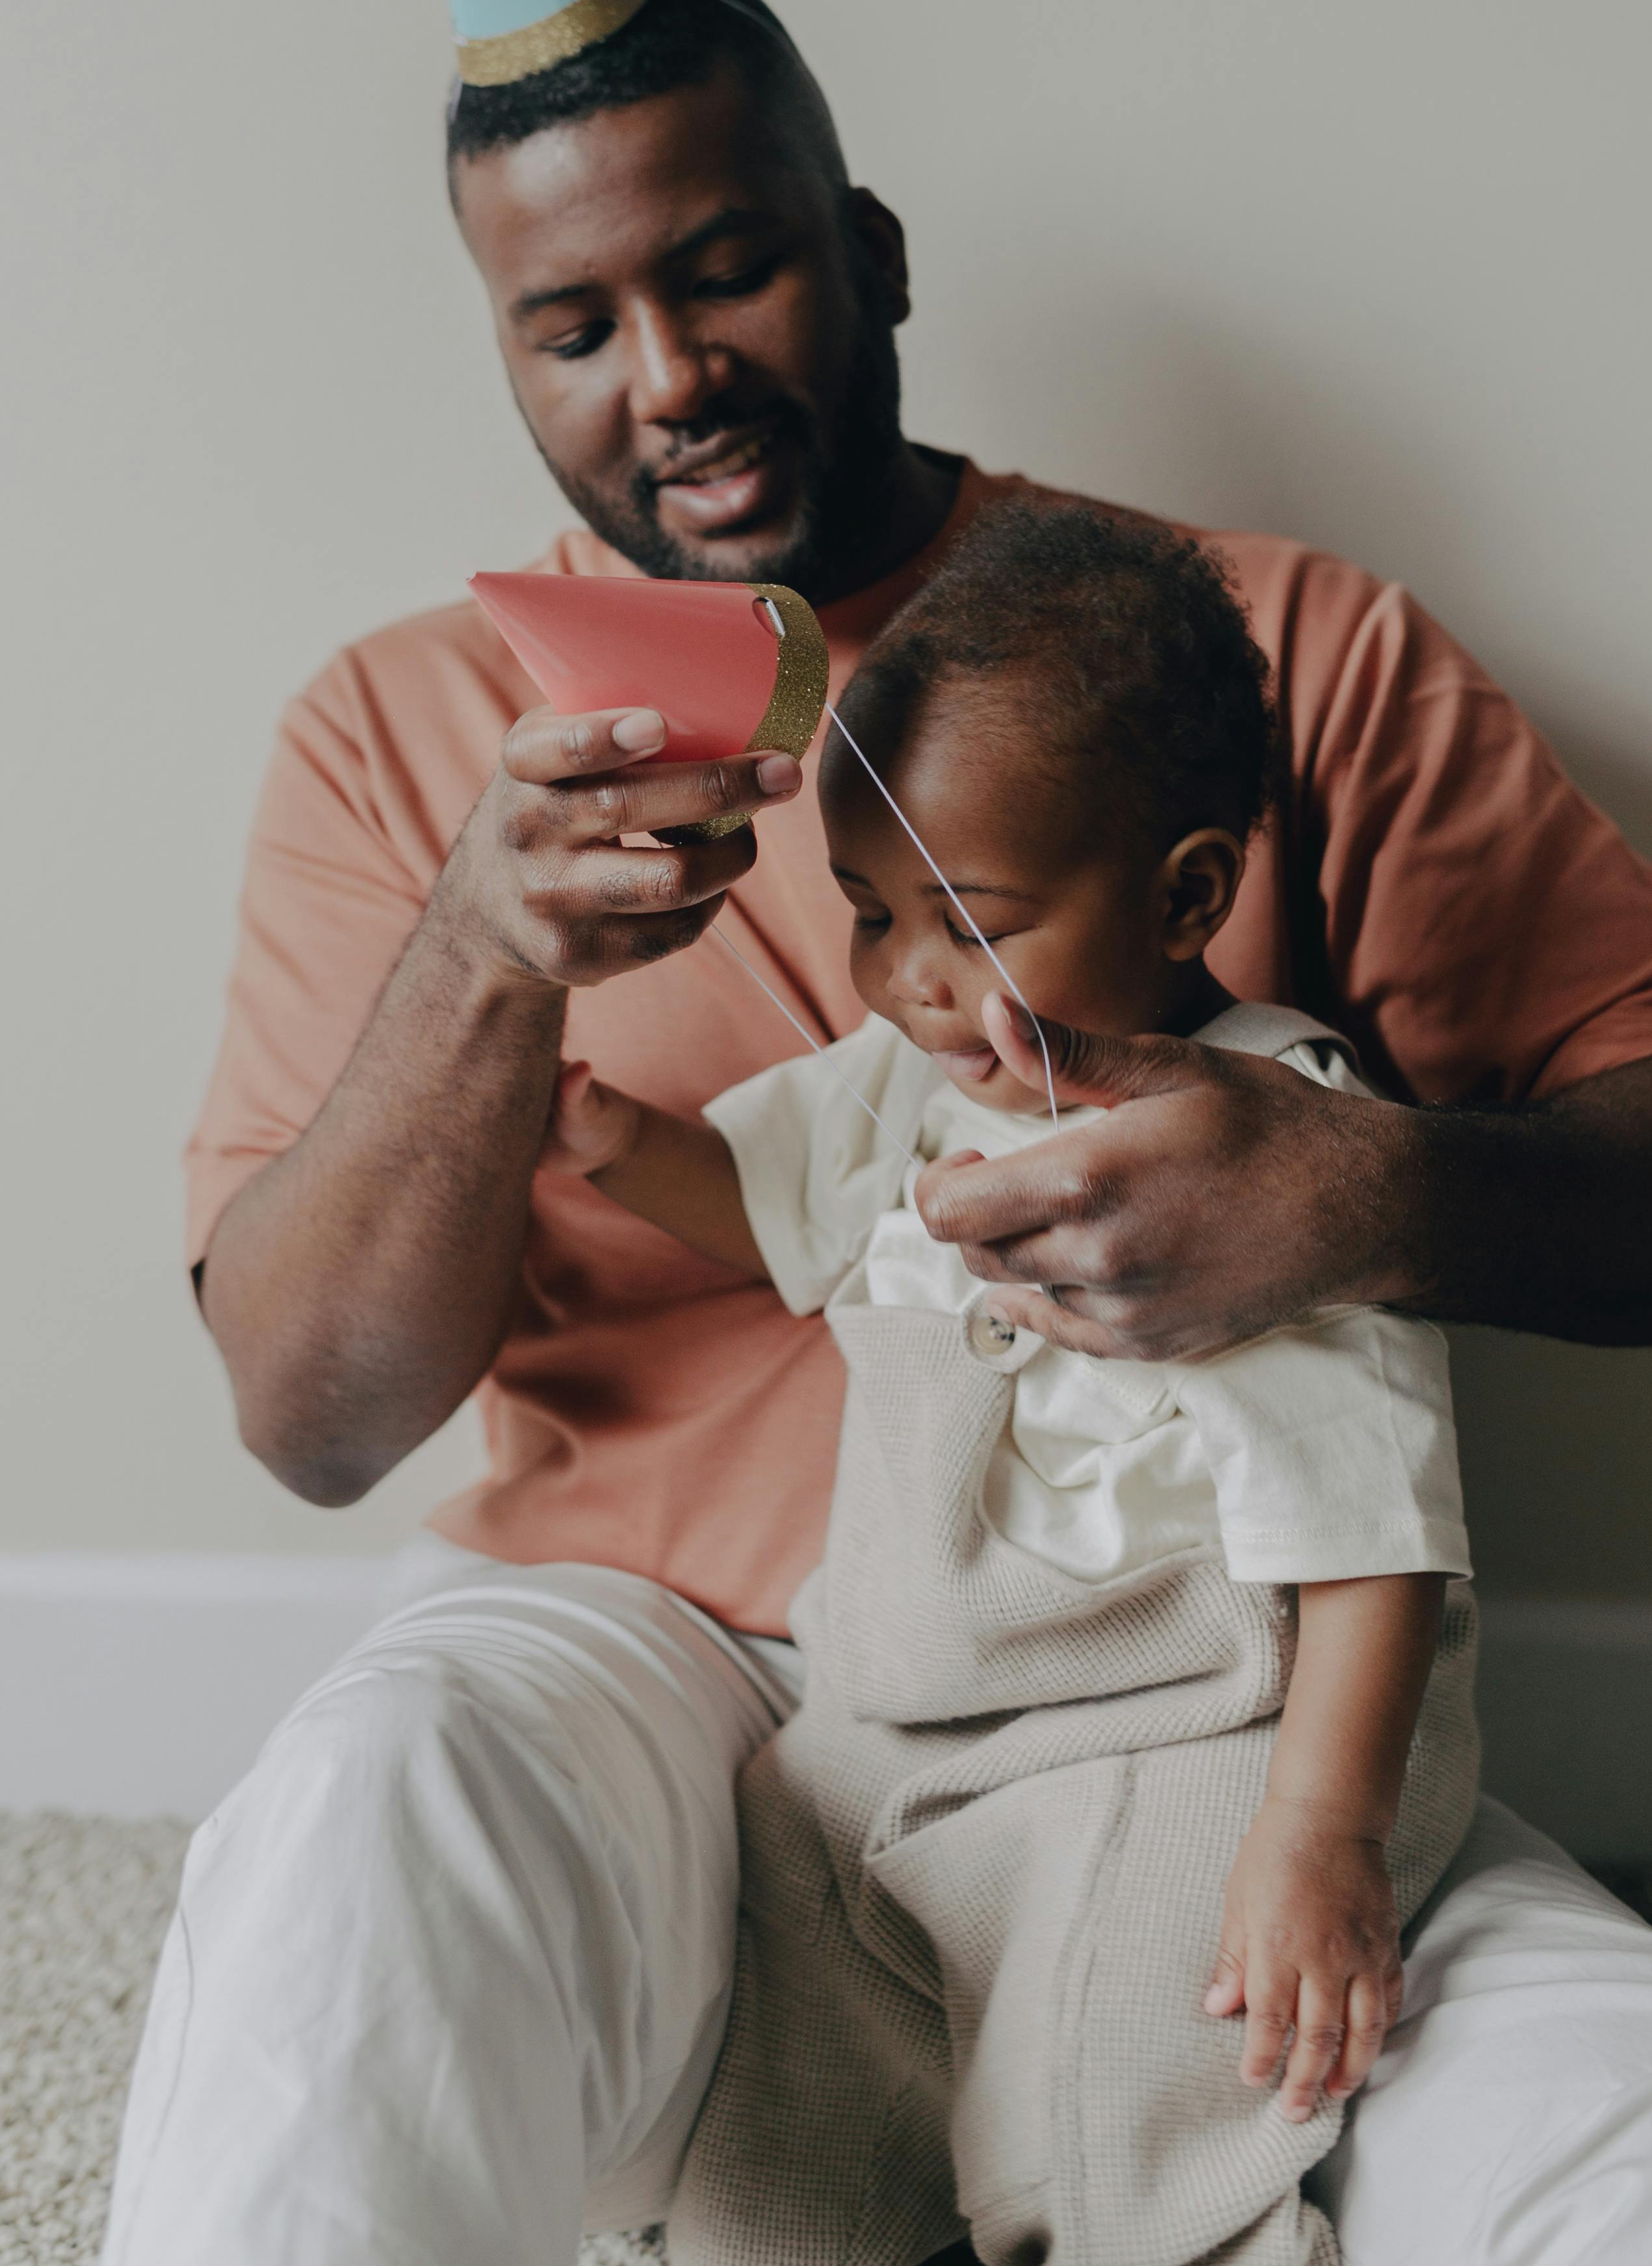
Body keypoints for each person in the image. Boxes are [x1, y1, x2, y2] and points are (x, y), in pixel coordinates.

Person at [102, 0, 1652, 2266]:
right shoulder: (404, 737)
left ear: (869, 251)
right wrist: (481, 966)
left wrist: (1350, 1191)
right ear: (508, 357)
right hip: (654, 1685)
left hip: (1189, 1720)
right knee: (359, 1812)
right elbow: (312, 1416)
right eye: (571, 323)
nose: (670, 374)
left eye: (728, 269)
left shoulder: (1267, 655)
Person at [553, 496, 1479, 2266]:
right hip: (907, 1711)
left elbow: (1371, 1529)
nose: (908, 979)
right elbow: (764, 1205)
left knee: (1142, 2074)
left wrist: (1319, 1833)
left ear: (1189, 893)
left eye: (968, 924)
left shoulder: (1265, 1141)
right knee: (785, 2064)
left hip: (1199, 1721)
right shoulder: (909, 1074)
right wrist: (594, 1130)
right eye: (870, 913)